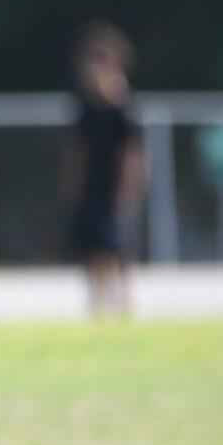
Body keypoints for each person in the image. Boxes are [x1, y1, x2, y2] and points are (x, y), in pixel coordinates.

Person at [64, 21, 145, 316]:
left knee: (117, 249)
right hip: (91, 189)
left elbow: (132, 154)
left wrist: (127, 191)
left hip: (114, 190)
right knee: (93, 249)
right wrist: (72, 187)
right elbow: (77, 152)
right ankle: (98, 303)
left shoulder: (122, 109)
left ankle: (124, 302)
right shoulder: (85, 109)